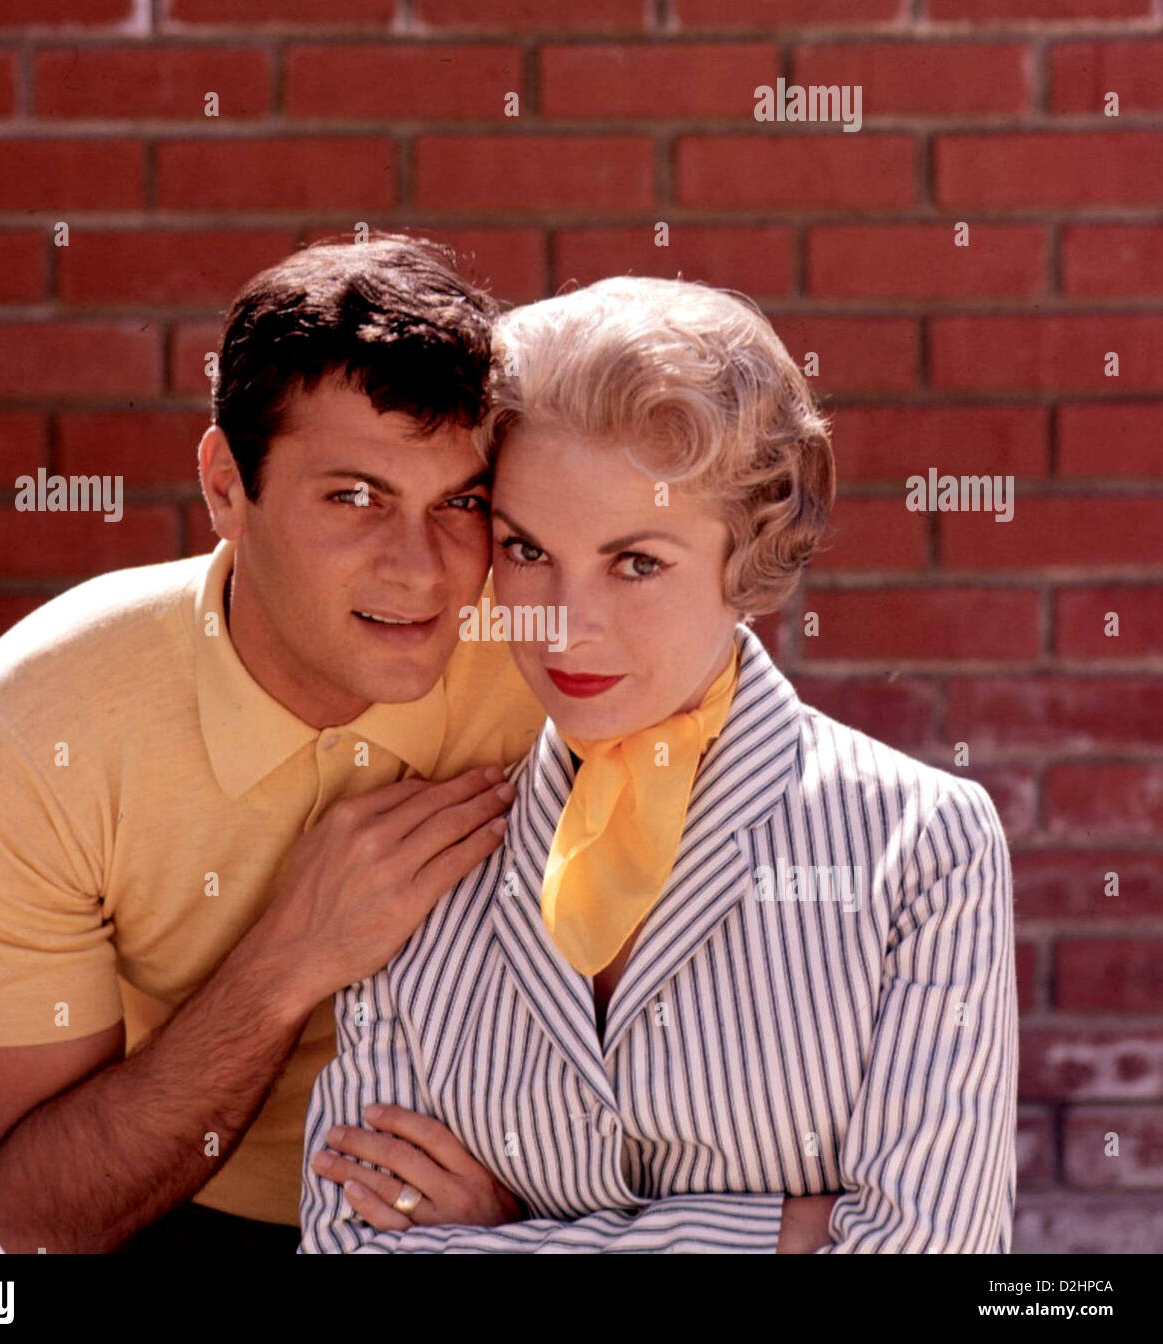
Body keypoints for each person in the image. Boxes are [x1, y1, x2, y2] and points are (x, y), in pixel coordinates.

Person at [300, 276, 1019, 1253]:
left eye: (635, 561)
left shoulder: (919, 848)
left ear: (748, 555)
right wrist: (782, 1237)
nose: (569, 623)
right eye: (525, 549)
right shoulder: (418, 858)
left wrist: (505, 1233)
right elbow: (349, 1247)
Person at [0, 235, 547, 1253]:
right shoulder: (26, 734)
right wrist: (290, 957)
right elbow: (39, 1214)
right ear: (225, 488)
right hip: (166, 1211)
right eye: (354, 497)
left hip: (503, 1213)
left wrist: (537, 1214)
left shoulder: (555, 664)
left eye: (459, 504)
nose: (422, 572)